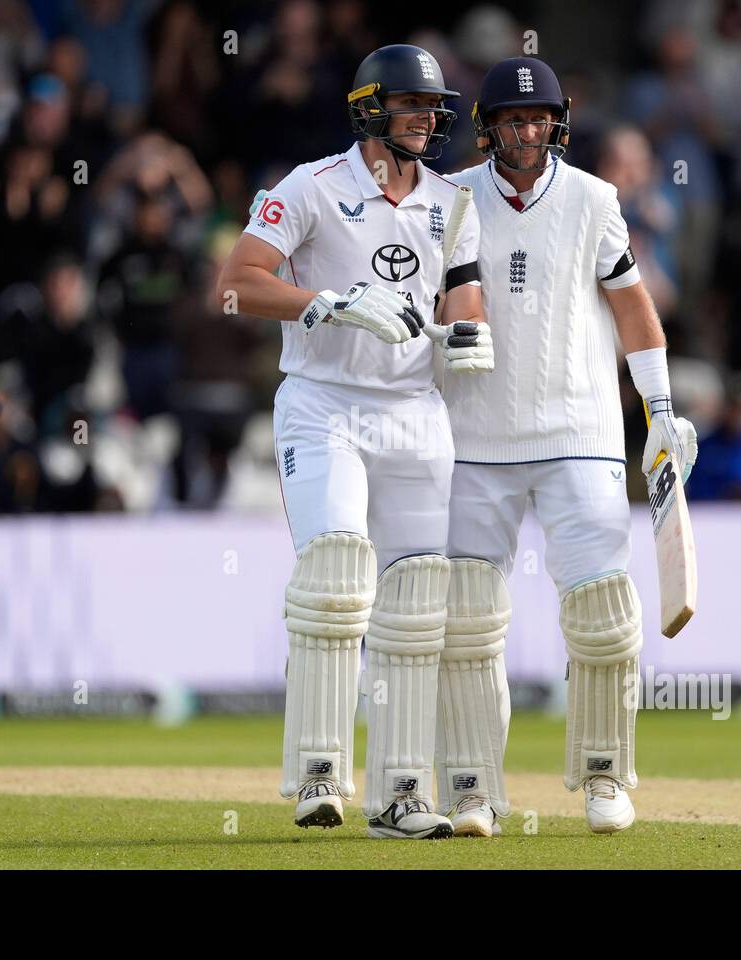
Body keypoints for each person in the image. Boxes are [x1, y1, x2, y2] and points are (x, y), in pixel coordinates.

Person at [216, 44, 493, 839]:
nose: (429, 120)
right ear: (369, 108)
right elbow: (235, 283)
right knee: (337, 578)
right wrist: (329, 305)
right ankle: (317, 774)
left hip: (414, 409)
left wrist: (468, 331)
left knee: (413, 603)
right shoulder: (311, 185)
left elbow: (461, 289)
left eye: (436, 108)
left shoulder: (450, 199)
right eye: (412, 105)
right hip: (325, 404)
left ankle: (403, 793)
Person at [438, 58, 698, 836]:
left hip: (579, 436)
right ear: (487, 127)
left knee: (605, 616)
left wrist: (658, 409)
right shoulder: (449, 199)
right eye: (512, 121)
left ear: (560, 122)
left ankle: (604, 777)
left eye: (539, 119)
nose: (526, 133)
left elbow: (634, 310)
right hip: (473, 440)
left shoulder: (594, 199)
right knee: (467, 619)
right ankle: (471, 788)